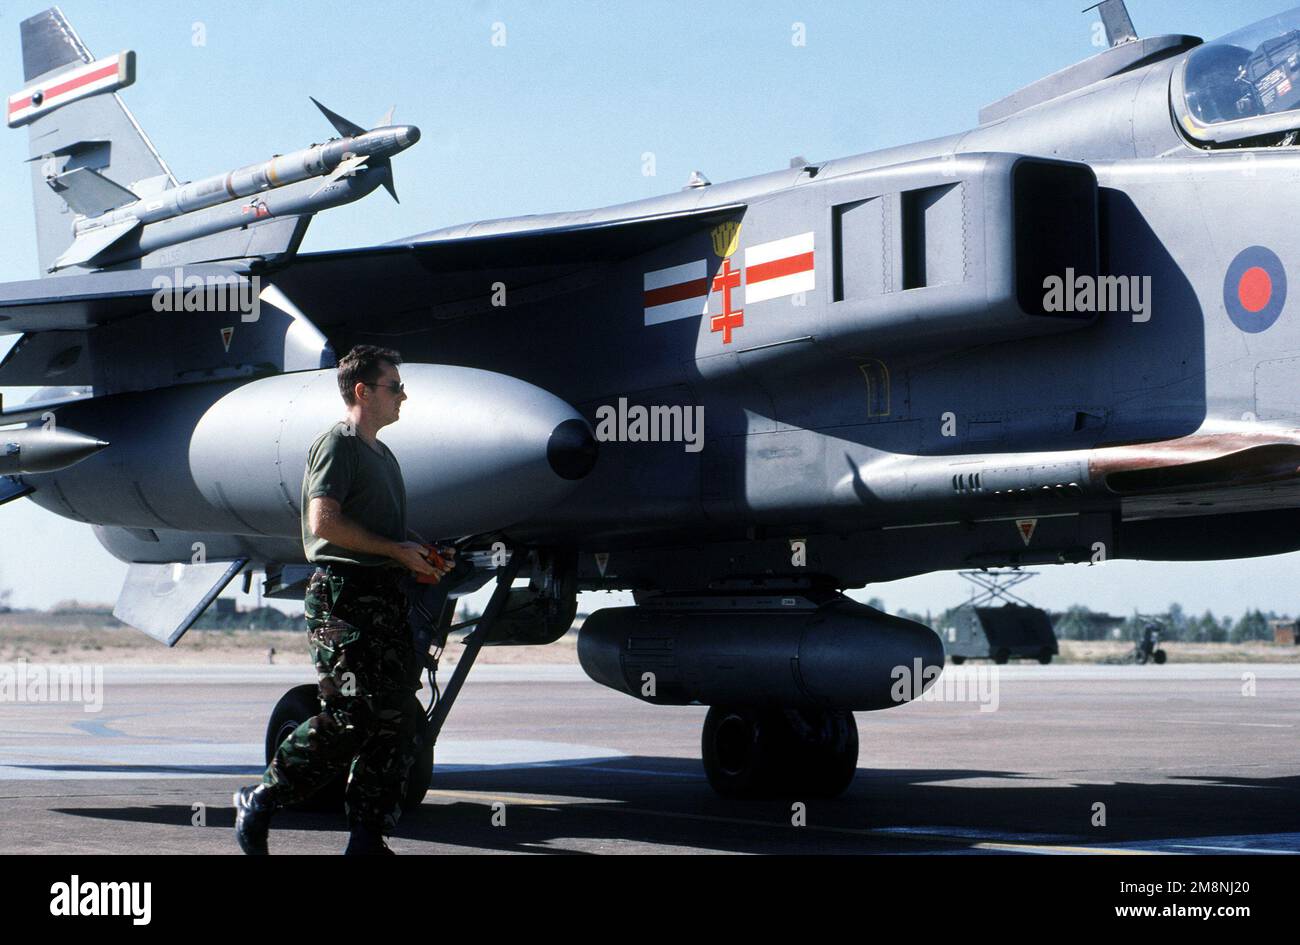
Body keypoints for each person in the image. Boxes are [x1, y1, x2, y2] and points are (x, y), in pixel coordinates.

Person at [234, 345, 454, 855]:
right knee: (351, 715)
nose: (403, 395)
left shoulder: (385, 456)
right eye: (393, 386)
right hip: (344, 597)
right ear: (363, 391)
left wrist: (420, 553)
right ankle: (262, 798)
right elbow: (323, 523)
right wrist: (394, 551)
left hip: (384, 597)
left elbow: (386, 533)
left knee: (396, 718)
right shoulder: (339, 445)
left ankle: (367, 838)